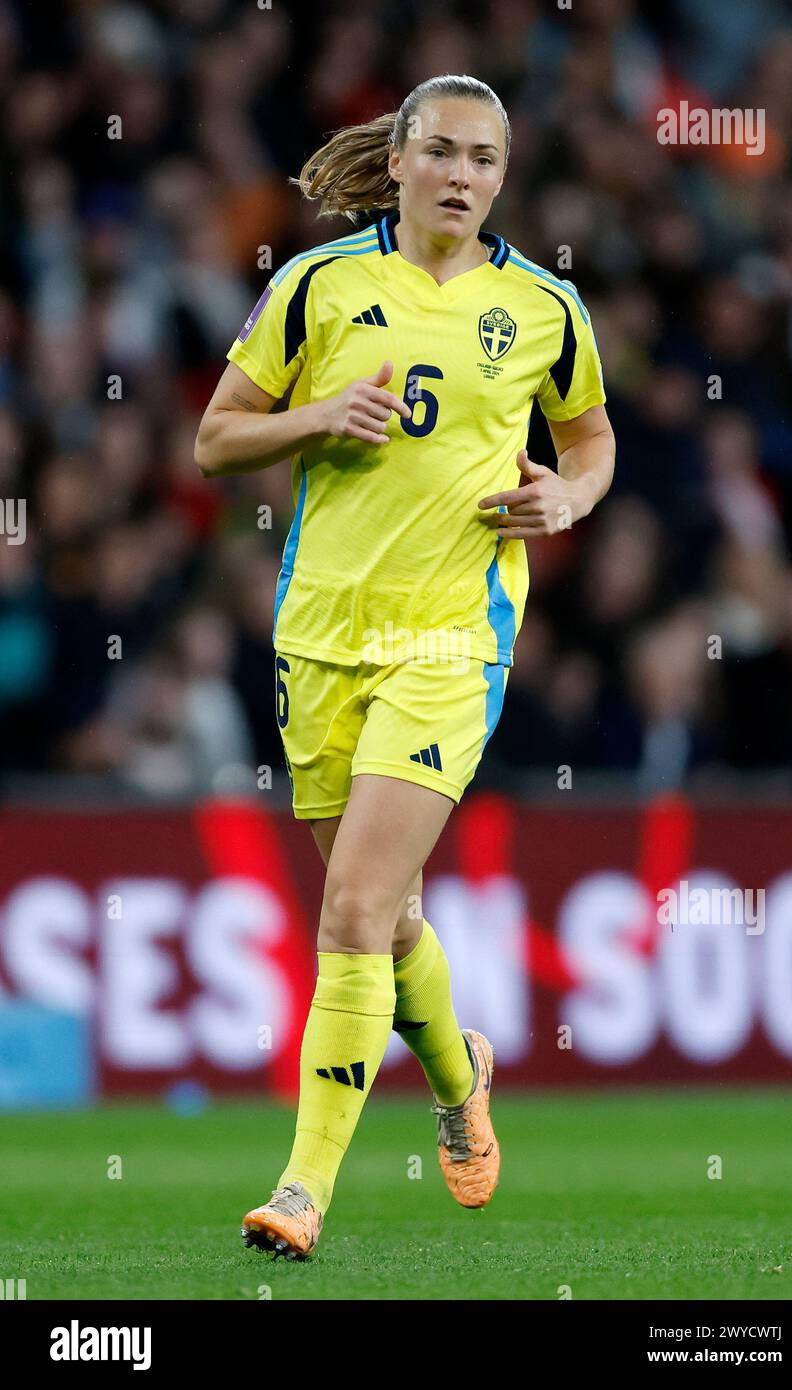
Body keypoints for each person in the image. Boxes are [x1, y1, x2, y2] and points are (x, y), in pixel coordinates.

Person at [195, 73, 615, 1260]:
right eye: (441, 152)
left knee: (354, 908)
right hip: (320, 634)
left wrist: (567, 495)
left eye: (484, 159)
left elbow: (589, 438)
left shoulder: (541, 306)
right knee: (386, 923)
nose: (462, 176)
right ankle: (458, 1066)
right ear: (398, 159)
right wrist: (313, 418)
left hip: (450, 641)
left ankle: (302, 1191)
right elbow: (216, 437)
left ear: (502, 174)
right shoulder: (316, 285)